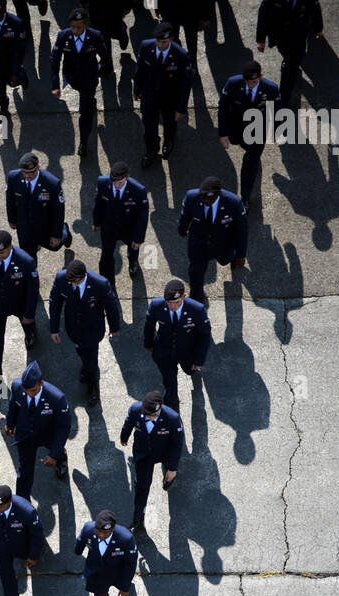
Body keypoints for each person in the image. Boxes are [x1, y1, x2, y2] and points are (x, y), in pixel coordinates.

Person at [49, 257, 121, 407]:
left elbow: (111, 306)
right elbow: (55, 302)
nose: (72, 285)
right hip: (73, 328)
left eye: (76, 282)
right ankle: (86, 367)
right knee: (81, 352)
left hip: (92, 329)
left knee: (91, 360)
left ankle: (93, 387)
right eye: (71, 282)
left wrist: (114, 327)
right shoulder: (62, 279)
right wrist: (54, 328)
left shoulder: (100, 284)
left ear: (84, 276)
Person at [119, 389, 185, 534]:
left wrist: (173, 468)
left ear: (160, 408)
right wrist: (124, 436)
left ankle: (168, 475)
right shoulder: (135, 409)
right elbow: (129, 423)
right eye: (147, 415)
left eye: (153, 415)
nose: (149, 418)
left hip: (164, 453)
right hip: (144, 455)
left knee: (169, 472)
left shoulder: (173, 419)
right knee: (141, 488)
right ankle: (138, 520)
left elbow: (177, 444)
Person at [49, 7, 111, 157]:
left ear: (85, 24)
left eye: (79, 27)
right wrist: (55, 85)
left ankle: (84, 141)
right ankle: (90, 103)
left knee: (85, 112)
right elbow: (54, 59)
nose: (75, 30)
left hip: (89, 80)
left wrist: (106, 70)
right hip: (72, 78)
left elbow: (104, 55)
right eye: (73, 27)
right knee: (87, 101)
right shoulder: (63, 36)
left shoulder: (95, 36)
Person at [5, 359, 71, 498]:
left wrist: (54, 454)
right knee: (24, 473)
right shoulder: (17, 387)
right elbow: (13, 406)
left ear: (41, 383)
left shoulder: (57, 398)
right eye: (26, 390)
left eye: (33, 390)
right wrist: (10, 423)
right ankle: (23, 504)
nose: (29, 393)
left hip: (48, 433)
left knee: (56, 451)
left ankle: (60, 457)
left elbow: (64, 427)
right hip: (25, 436)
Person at [218, 60, 280, 210]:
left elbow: (277, 112)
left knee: (250, 164)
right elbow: (223, 108)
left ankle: (244, 198)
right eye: (247, 81)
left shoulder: (271, 89)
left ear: (261, 76)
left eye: (254, 81)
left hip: (258, 130)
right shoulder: (232, 84)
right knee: (240, 143)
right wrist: (223, 133)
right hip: (237, 127)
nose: (250, 84)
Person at [142, 278, 211, 413]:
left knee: (190, 370)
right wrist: (148, 344)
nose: (173, 306)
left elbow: (204, 335)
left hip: (188, 351)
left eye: (177, 303)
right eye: (170, 303)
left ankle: (192, 372)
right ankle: (173, 406)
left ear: (184, 296)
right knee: (169, 381)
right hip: (164, 351)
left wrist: (199, 359)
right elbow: (149, 326)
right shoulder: (156, 305)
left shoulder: (197, 309)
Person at [177, 176, 248, 303]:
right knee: (195, 274)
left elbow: (242, 230)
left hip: (223, 243)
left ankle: (232, 258)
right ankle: (196, 301)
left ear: (218, 195)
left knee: (227, 258)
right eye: (203, 197)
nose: (206, 200)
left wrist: (241, 254)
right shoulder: (192, 197)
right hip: (199, 244)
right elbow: (185, 215)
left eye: (210, 198)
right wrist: (182, 229)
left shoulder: (234, 203)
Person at [0, 230, 40, 373]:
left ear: (10, 247)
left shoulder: (26, 261)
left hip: (20, 302)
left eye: (3, 253)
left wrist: (29, 314)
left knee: (27, 323)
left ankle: (30, 333)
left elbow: (33, 290)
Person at [132, 20, 193, 168]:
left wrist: (181, 108)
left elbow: (185, 84)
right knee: (148, 126)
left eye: (164, 42)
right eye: (158, 41)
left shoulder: (181, 55)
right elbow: (140, 70)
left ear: (171, 39)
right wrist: (136, 90)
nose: (160, 45)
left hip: (170, 98)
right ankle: (151, 149)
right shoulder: (146, 47)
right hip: (149, 95)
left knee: (169, 124)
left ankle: (168, 142)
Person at [0, 483, 45, 596]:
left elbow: (37, 534)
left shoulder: (26, 512)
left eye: (2, 506)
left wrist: (33, 556)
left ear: (10, 501)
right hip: (1, 542)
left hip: (21, 543)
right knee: (5, 572)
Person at [74, 508, 137, 596]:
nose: (102, 535)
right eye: (99, 532)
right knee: (99, 595)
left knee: (125, 587)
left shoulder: (126, 538)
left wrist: (125, 586)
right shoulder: (88, 528)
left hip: (118, 570)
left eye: (107, 533)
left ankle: (129, 587)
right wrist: (78, 549)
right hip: (97, 571)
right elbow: (81, 540)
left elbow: (131, 563)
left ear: (113, 529)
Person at [92, 160, 149, 290]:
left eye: (120, 182)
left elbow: (142, 216)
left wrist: (139, 238)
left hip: (129, 228)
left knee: (133, 247)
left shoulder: (138, 191)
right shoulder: (102, 183)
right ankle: (108, 283)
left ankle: (133, 262)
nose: (116, 185)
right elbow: (98, 204)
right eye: (114, 182)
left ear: (127, 177)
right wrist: (96, 222)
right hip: (109, 227)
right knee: (106, 256)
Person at [5, 151, 72, 264]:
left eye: (31, 172)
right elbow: (10, 200)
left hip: (45, 226)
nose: (28, 176)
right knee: (28, 260)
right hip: (24, 228)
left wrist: (56, 234)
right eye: (24, 172)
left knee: (55, 247)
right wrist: (11, 219)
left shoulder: (52, 183)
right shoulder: (13, 178)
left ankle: (64, 231)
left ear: (38, 167)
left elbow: (58, 211)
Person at [256, 0, 324, 104]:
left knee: (297, 58)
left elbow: (315, 8)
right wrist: (261, 40)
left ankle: (285, 90)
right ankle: (284, 95)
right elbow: (263, 14)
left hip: (299, 34)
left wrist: (318, 28)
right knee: (290, 62)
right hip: (279, 35)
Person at [0, 0, 28, 121]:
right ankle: (4, 108)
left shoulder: (16, 24)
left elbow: (19, 51)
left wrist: (15, 73)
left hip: (10, 62)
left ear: (5, 11)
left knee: (14, 81)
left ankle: (22, 77)